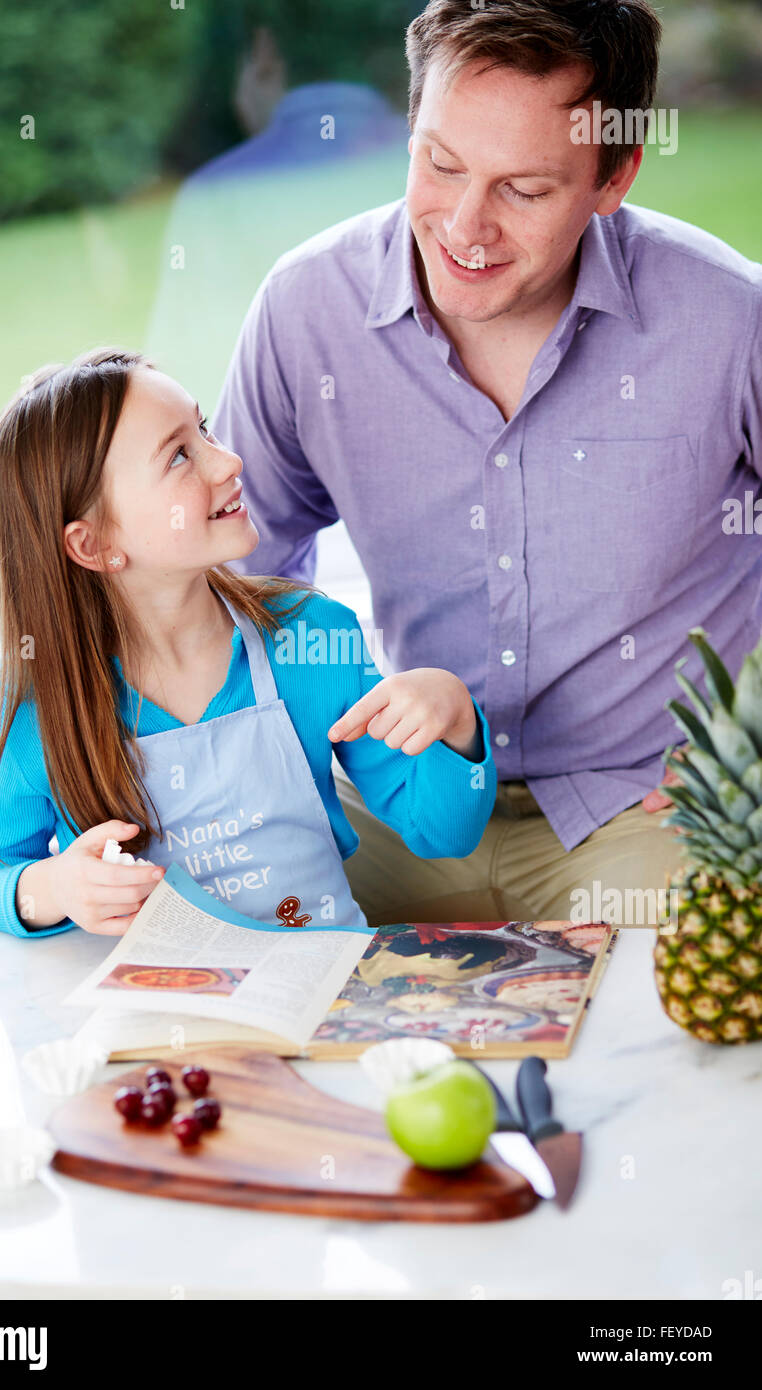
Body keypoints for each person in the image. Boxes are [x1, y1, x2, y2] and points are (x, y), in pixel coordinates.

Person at [212, 0, 762, 926]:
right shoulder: (308, 310)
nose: (465, 227)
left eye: (526, 189)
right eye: (440, 162)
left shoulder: (727, 318)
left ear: (613, 175)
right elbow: (234, 574)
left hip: (646, 810)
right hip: (403, 804)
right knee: (232, 972)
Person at [0, 348, 496, 939]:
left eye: (203, 429)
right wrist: (53, 887)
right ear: (94, 545)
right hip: (164, 1011)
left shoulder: (311, 637)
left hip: (328, 992)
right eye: (180, 455)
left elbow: (443, 833)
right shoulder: (30, 709)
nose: (228, 460)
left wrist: (456, 719)